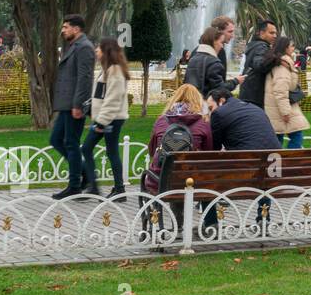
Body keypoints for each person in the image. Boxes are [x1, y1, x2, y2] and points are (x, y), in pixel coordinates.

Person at [49, 15, 95, 199]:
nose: (63, 30)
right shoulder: (74, 46)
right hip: (67, 104)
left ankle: (75, 185)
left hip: (74, 104)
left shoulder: (84, 47)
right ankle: (85, 174)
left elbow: (85, 78)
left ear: (76, 29)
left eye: (66, 27)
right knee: (56, 139)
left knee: (71, 143)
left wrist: (79, 105)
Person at [80, 37, 131, 197]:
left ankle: (106, 187)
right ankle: (114, 188)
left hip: (110, 119)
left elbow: (113, 100)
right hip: (109, 118)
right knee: (110, 151)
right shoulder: (109, 69)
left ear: (106, 51)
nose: (96, 51)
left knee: (93, 148)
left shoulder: (114, 71)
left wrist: (101, 122)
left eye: (99, 48)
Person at [142, 84, 214, 195]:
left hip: (160, 180)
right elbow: (208, 152)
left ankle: (159, 211)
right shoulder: (203, 122)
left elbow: (152, 150)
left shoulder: (162, 120)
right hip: (192, 181)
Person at [262, 36, 311, 148]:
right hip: (281, 108)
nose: (294, 48)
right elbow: (280, 90)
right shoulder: (282, 66)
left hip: (277, 107)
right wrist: (285, 112)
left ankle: (280, 162)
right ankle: (289, 161)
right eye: (292, 46)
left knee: (278, 138)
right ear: (285, 48)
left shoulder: (282, 63)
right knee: (296, 136)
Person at [208, 87, 281, 150]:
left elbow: (215, 148)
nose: (210, 113)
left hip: (247, 161)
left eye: (211, 108)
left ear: (221, 101)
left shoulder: (218, 113)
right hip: (276, 158)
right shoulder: (255, 108)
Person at [185, 25, 244, 98]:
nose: (222, 46)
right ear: (213, 41)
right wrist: (235, 81)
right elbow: (220, 89)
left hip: (191, 102)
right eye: (221, 42)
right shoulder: (213, 63)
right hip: (206, 105)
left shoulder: (193, 58)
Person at [238, 19, 277, 107]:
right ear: (261, 33)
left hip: (249, 93)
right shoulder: (261, 47)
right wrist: (276, 58)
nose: (275, 36)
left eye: (275, 33)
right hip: (255, 95)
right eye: (271, 33)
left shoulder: (254, 45)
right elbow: (259, 65)